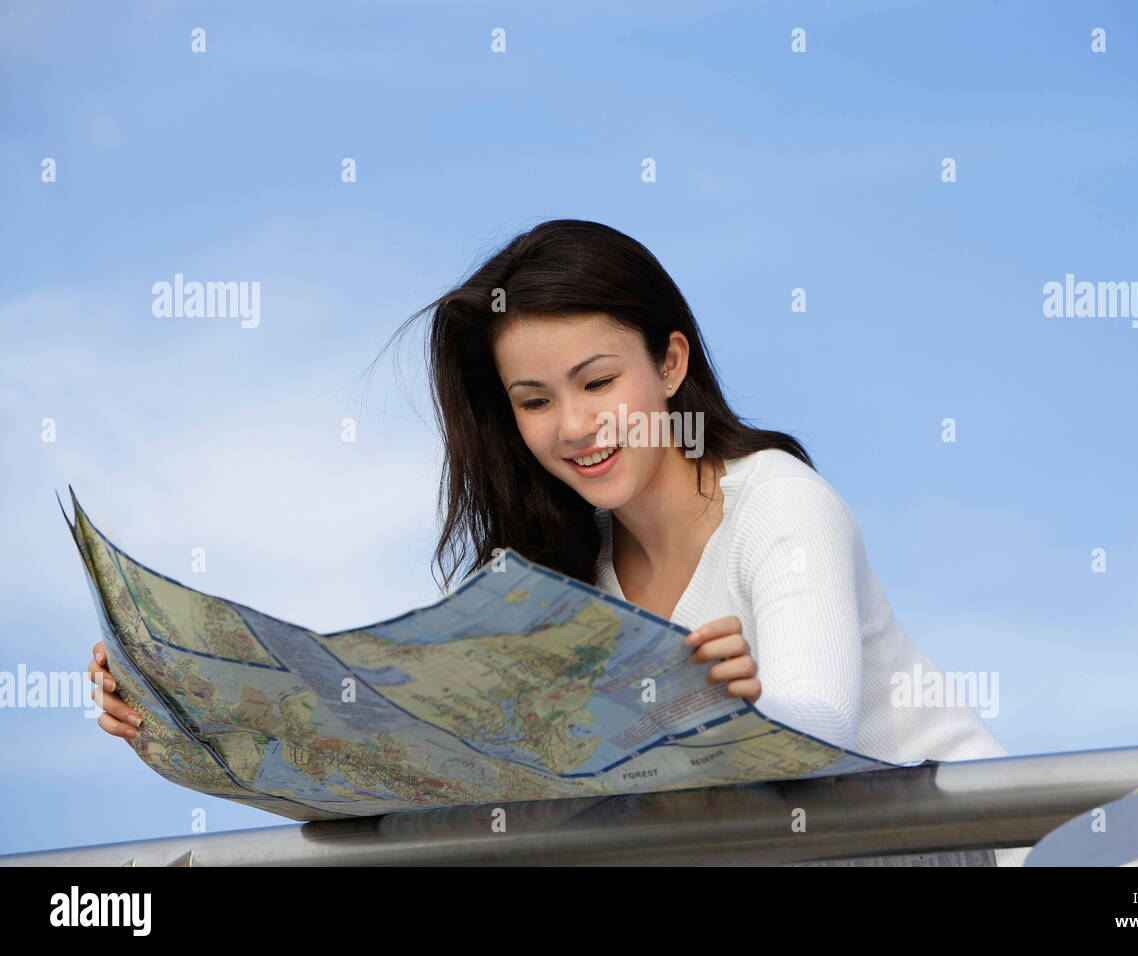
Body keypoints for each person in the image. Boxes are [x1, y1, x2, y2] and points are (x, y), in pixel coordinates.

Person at [88, 218, 1028, 864]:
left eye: (596, 381)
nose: (575, 425)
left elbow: (813, 739)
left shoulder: (779, 504)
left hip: (943, 847)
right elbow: (462, 804)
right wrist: (183, 721)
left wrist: (734, 711)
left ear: (670, 361)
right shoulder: (568, 591)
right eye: (535, 402)